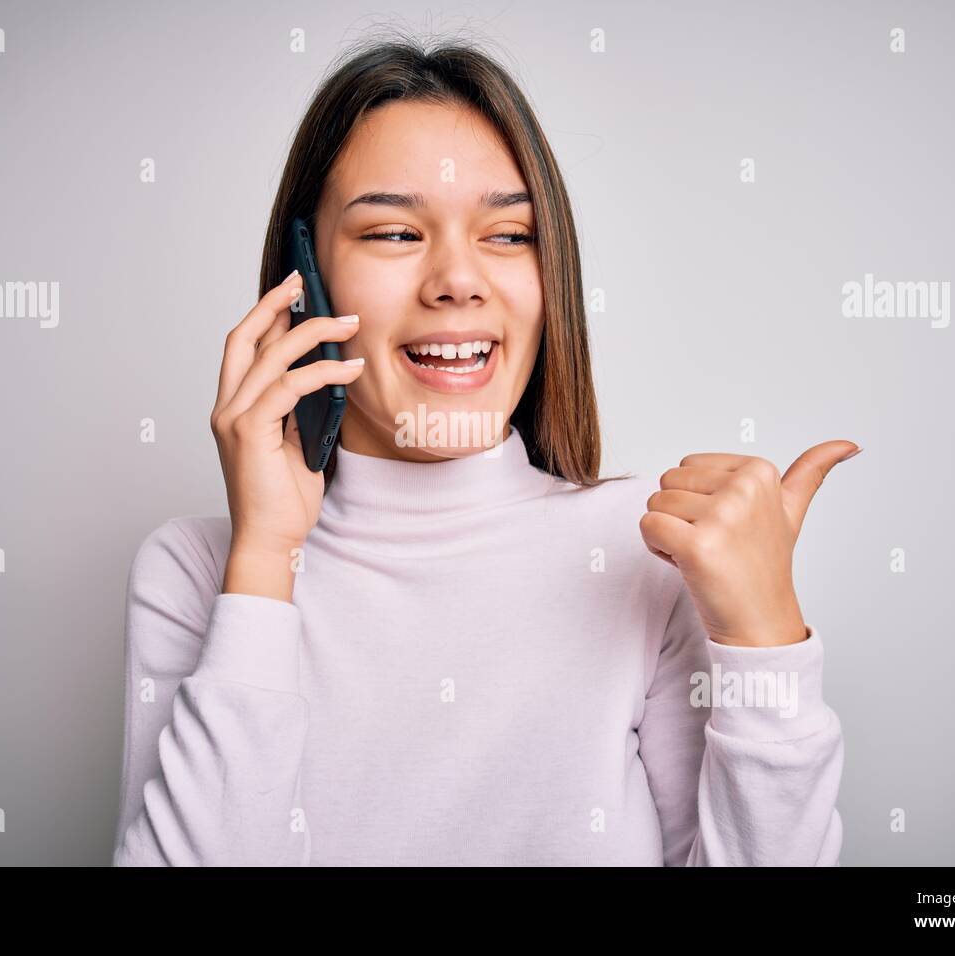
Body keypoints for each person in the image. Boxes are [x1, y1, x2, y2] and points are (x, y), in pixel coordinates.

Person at [112, 35, 854, 866]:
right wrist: (266, 558)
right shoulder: (195, 572)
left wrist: (764, 643)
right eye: (395, 233)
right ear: (303, 279)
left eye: (507, 236)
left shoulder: (650, 557)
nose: (458, 280)